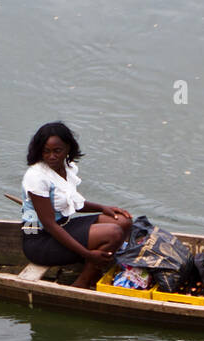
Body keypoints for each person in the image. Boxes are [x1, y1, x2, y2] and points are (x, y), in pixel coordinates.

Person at [20, 122, 133, 289]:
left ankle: (93, 266)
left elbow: (71, 202)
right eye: (46, 151)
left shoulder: (67, 167)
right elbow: (50, 225)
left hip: (63, 227)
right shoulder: (37, 177)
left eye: (57, 151)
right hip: (40, 241)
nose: (52, 156)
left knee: (123, 221)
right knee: (114, 233)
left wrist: (102, 208)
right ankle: (82, 283)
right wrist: (87, 254)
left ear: (68, 148)